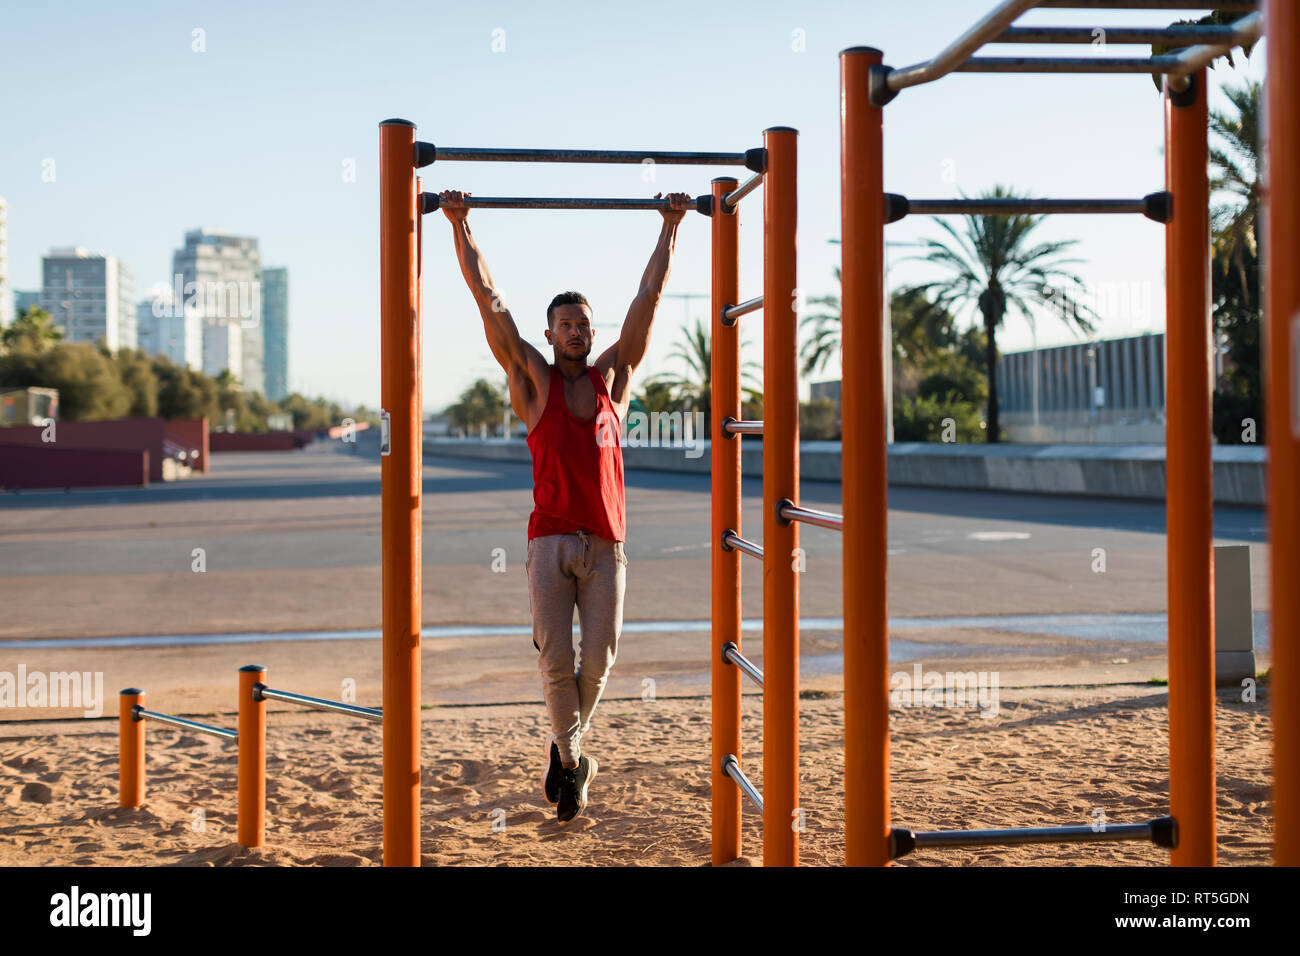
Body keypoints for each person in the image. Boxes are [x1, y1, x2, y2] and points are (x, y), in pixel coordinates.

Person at [440, 188, 690, 822]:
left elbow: (648, 302)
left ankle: (562, 748)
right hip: (549, 541)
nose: (576, 331)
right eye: (565, 324)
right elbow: (488, 301)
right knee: (556, 662)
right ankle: (575, 764)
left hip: (606, 544)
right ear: (549, 334)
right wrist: (460, 223)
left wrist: (670, 226)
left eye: (584, 323)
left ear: (590, 332)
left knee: (599, 659)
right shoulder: (533, 381)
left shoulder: (615, 381)